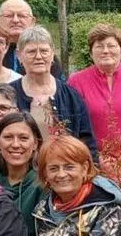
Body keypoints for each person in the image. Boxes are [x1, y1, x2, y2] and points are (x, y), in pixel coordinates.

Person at [11, 26, 97, 158]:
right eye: (31, 52)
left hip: (63, 172)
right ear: (19, 55)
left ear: (52, 54)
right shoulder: (9, 95)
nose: (38, 56)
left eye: (44, 51)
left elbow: (87, 142)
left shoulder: (71, 96)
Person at [0, 112, 45, 236]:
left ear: (35, 144)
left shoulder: (43, 185)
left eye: (23, 138)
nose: (16, 144)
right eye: (8, 137)